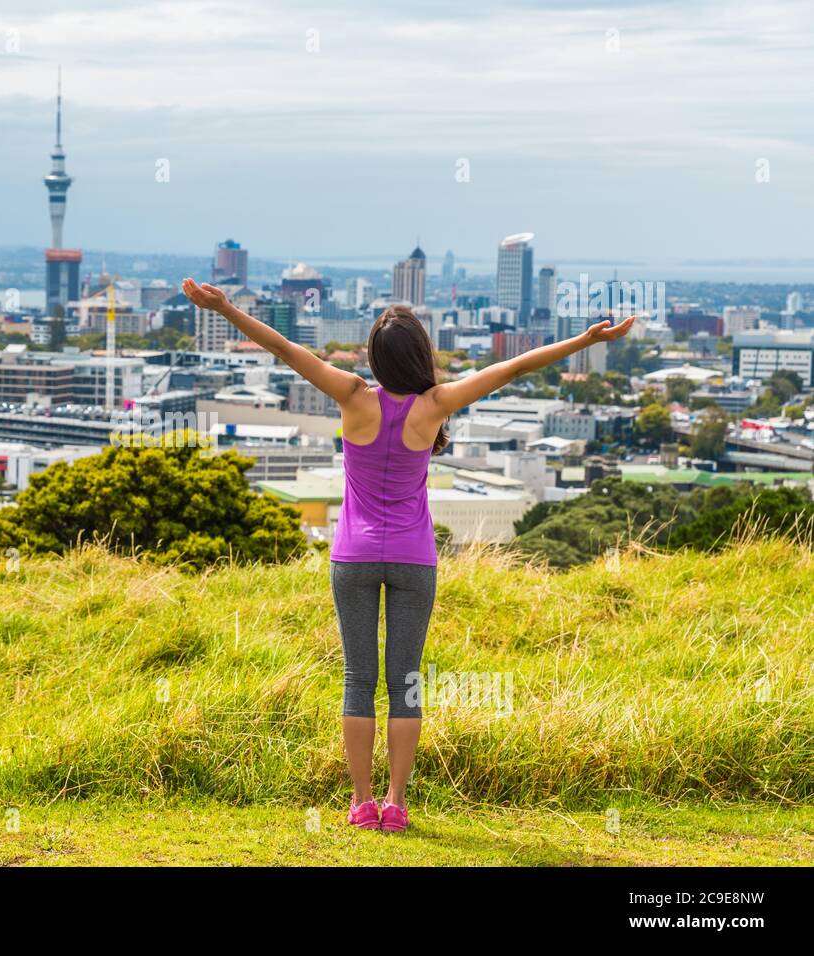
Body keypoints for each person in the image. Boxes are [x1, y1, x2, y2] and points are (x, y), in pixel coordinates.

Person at [180, 278, 634, 832]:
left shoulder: (350, 394)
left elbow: (281, 347)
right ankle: (396, 802)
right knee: (406, 680)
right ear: (421, 356)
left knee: (357, 677)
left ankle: (361, 802)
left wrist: (225, 307)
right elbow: (513, 369)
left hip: (353, 554)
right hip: (415, 558)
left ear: (374, 356)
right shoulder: (437, 405)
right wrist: (583, 341)